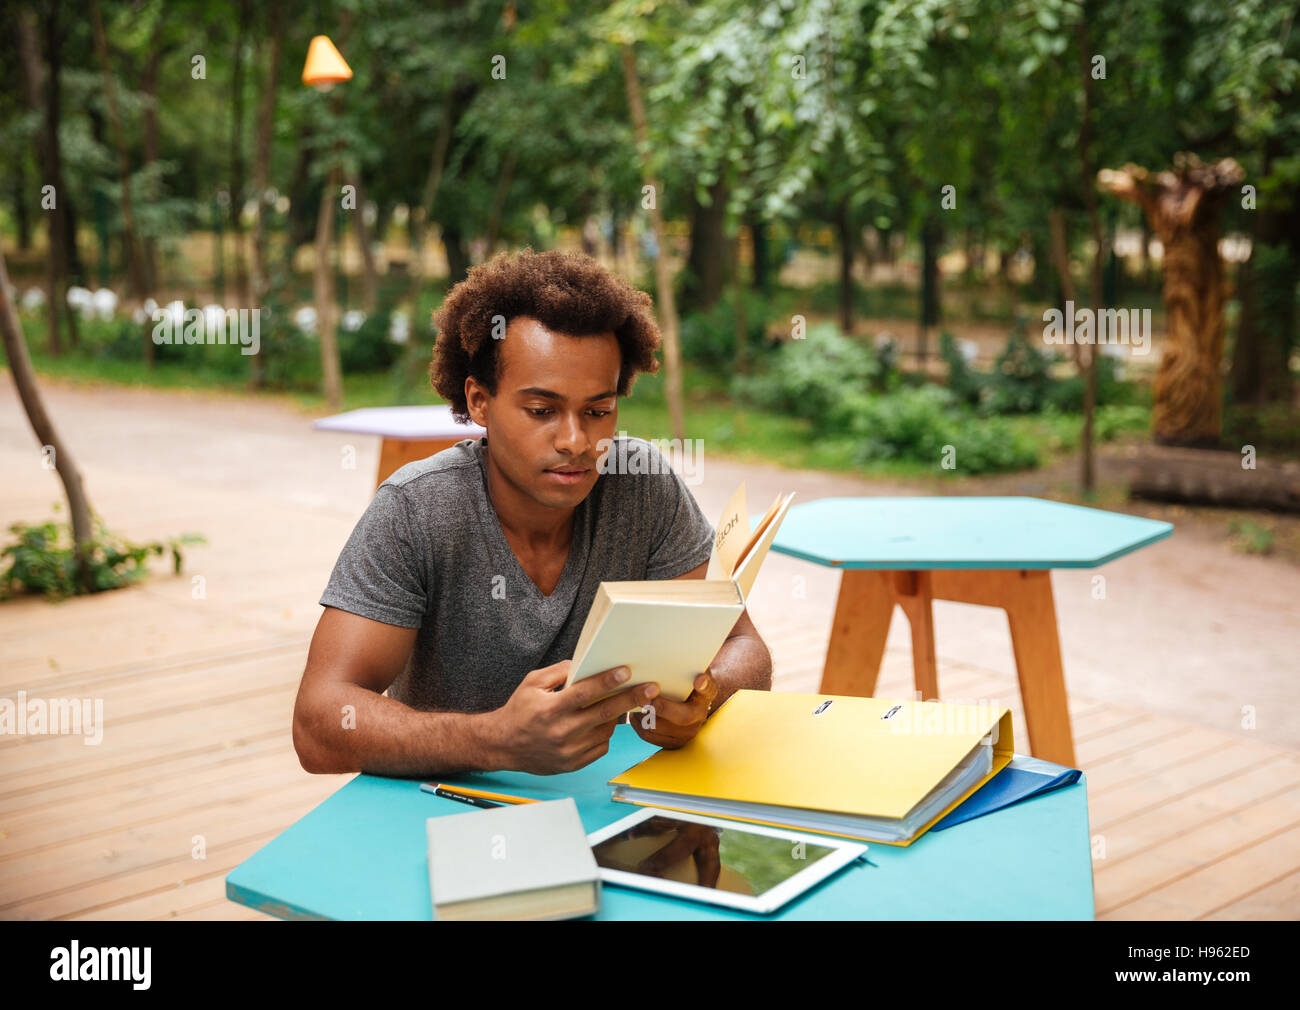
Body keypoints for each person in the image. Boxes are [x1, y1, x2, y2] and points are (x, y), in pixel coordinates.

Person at [292, 248, 772, 778]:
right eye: (542, 411)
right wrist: (494, 741)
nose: (576, 441)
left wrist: (704, 695)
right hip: (445, 810)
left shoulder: (640, 483)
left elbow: (743, 646)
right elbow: (318, 723)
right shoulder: (417, 509)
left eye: (598, 411)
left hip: (612, 803)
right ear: (478, 401)